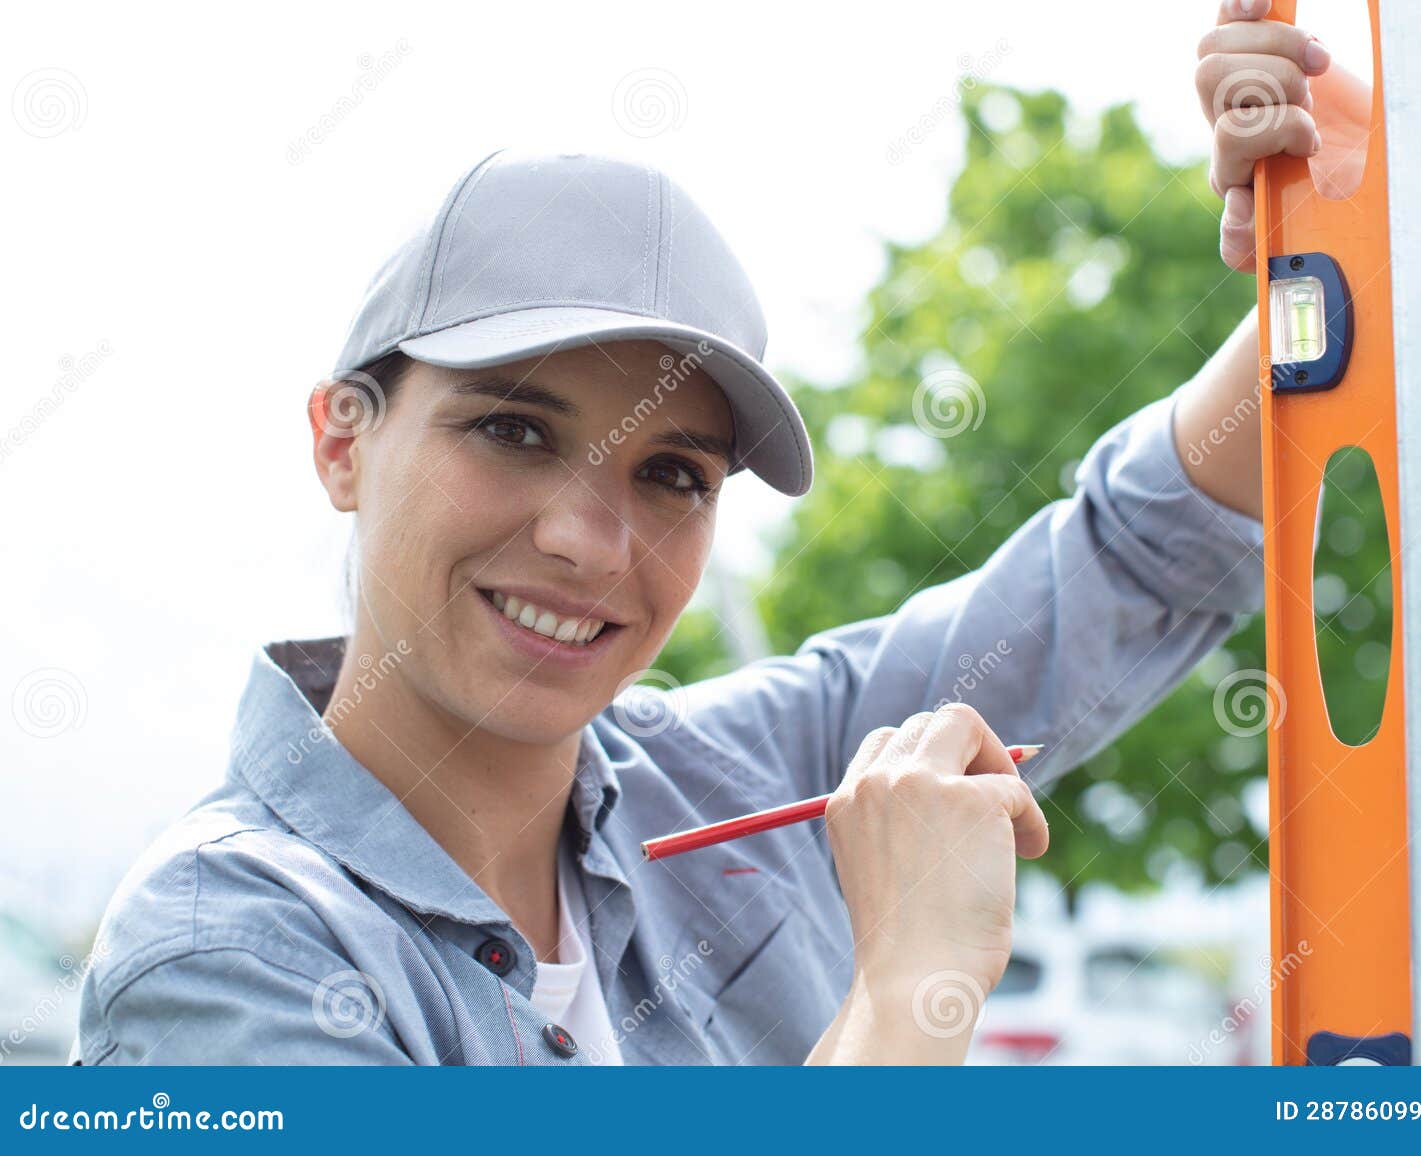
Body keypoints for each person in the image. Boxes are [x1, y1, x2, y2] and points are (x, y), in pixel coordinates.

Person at [73, 1, 1339, 1065]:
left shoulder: (746, 781)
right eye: (513, 429)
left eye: (673, 472)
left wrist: (1316, 233)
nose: (587, 537)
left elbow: (1131, 559)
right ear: (342, 440)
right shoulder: (224, 951)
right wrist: (907, 994)